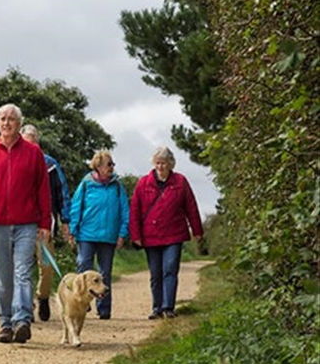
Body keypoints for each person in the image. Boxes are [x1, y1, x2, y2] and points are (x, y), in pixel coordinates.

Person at [0, 104, 52, 344]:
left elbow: (43, 190)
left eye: (12, 119)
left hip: (27, 224)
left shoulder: (33, 153)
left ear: (19, 123)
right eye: (3, 119)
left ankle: (22, 320)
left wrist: (45, 223)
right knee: (3, 276)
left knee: (22, 272)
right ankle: (6, 323)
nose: (7, 123)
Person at [129, 146, 204, 319]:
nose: (160, 167)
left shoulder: (181, 182)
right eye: (157, 163)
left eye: (163, 163)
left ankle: (168, 307)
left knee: (170, 269)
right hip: (150, 235)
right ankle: (156, 307)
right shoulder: (143, 183)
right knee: (155, 273)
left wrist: (197, 230)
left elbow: (191, 207)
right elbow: (135, 211)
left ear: (171, 164)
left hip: (174, 234)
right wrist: (136, 236)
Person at [68, 149, 130, 319]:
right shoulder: (86, 184)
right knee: (83, 269)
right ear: (98, 166)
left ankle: (104, 309)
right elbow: (76, 207)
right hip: (87, 234)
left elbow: (125, 211)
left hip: (109, 236)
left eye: (113, 164)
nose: (112, 168)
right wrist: (73, 230)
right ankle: (82, 303)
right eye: (109, 164)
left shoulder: (117, 186)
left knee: (105, 273)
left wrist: (122, 234)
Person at [19, 124, 71, 322]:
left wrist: (65, 220)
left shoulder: (49, 164)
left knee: (46, 267)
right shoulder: (15, 162)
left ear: (38, 144)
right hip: (20, 223)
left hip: (44, 226)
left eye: (32, 144)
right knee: (22, 267)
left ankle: (42, 297)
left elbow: (62, 193)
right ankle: (25, 306)